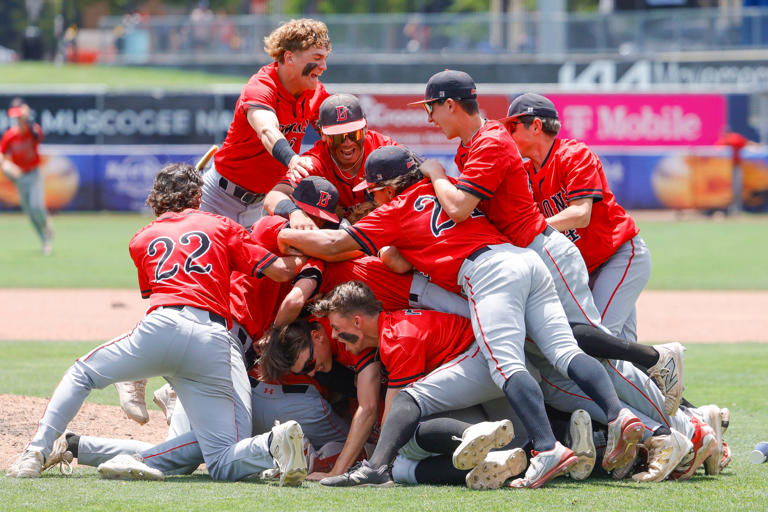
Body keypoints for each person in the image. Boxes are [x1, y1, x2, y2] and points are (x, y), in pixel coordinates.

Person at [277, 146, 646, 488]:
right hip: (527, 259)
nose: (373, 199)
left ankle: (549, 447)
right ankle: (621, 412)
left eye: (374, 192)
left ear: (389, 188)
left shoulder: (396, 209)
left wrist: (287, 233)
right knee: (562, 351)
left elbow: (335, 245)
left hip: (485, 274)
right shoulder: (445, 186)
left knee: (506, 366)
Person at [6, 163, 309, 485]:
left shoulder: (141, 238)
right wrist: (308, 258)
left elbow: (159, 291)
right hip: (212, 339)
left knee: (82, 373)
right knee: (222, 459)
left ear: (155, 199)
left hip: (161, 327)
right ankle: (270, 443)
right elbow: (280, 271)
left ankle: (36, 452)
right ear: (198, 196)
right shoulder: (220, 224)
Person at [412, 70, 684, 416]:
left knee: (596, 350)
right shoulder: (503, 161)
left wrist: (437, 176)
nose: (429, 117)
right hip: (565, 259)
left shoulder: (560, 152)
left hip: (612, 254)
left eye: (431, 108)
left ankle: (667, 391)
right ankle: (678, 414)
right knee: (607, 352)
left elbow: (579, 214)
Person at [501, 92, 651, 344]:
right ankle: (662, 363)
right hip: (587, 269)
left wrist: (532, 228)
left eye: (512, 126)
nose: (507, 134)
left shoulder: (573, 154)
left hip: (619, 257)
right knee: (621, 351)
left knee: (599, 342)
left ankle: (660, 360)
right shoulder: (524, 173)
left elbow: (581, 214)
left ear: (536, 126)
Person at [201, 18, 331, 227]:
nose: (323, 66)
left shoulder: (315, 91)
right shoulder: (261, 86)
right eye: (317, 58)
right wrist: (292, 159)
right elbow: (267, 131)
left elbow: (332, 132)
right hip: (216, 198)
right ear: (289, 57)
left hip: (259, 207)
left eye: (325, 58)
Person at [264, 93, 398, 227]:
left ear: (365, 128)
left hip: (381, 226)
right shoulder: (314, 161)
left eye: (354, 134)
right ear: (323, 134)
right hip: (331, 233)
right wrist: (295, 213)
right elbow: (274, 196)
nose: (348, 143)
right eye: (338, 137)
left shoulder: (383, 148)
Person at [1, 98, 53, 255]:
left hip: (33, 173)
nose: (18, 119)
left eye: (20, 116)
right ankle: (44, 239)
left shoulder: (33, 130)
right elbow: (1, 153)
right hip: (19, 177)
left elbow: (38, 136)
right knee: (30, 213)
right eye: (17, 117)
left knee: (37, 206)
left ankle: (47, 228)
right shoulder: (10, 135)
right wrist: (6, 165)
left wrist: (28, 118)